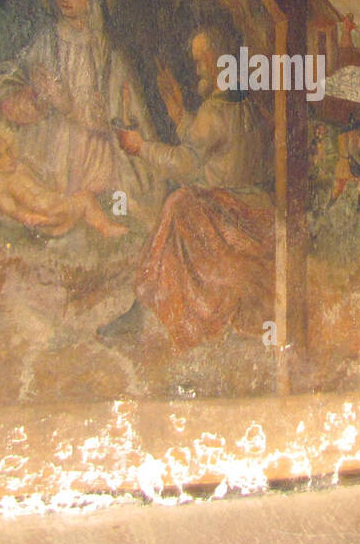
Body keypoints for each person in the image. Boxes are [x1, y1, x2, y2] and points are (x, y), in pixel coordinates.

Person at [106, 23, 274, 349]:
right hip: (258, 211)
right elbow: (211, 148)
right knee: (181, 205)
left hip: (232, 214)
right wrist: (180, 116)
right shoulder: (251, 106)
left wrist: (141, 147)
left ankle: (144, 309)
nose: (197, 68)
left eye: (201, 60)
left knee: (178, 202)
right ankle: (144, 309)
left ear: (219, 60)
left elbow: (186, 164)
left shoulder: (214, 112)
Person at [0, 0, 156, 215]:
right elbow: (14, 79)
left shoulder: (107, 54)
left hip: (93, 148)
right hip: (47, 144)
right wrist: (33, 98)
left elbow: (124, 116)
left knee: (90, 200)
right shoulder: (46, 41)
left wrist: (76, 108)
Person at [0, 132, 126, 239]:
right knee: (83, 201)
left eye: (8, 150)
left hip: (56, 204)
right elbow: (14, 211)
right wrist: (39, 219)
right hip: (45, 219)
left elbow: (42, 184)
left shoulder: (21, 167)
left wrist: (59, 194)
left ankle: (104, 227)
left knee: (85, 196)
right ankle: (105, 228)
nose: (8, 157)